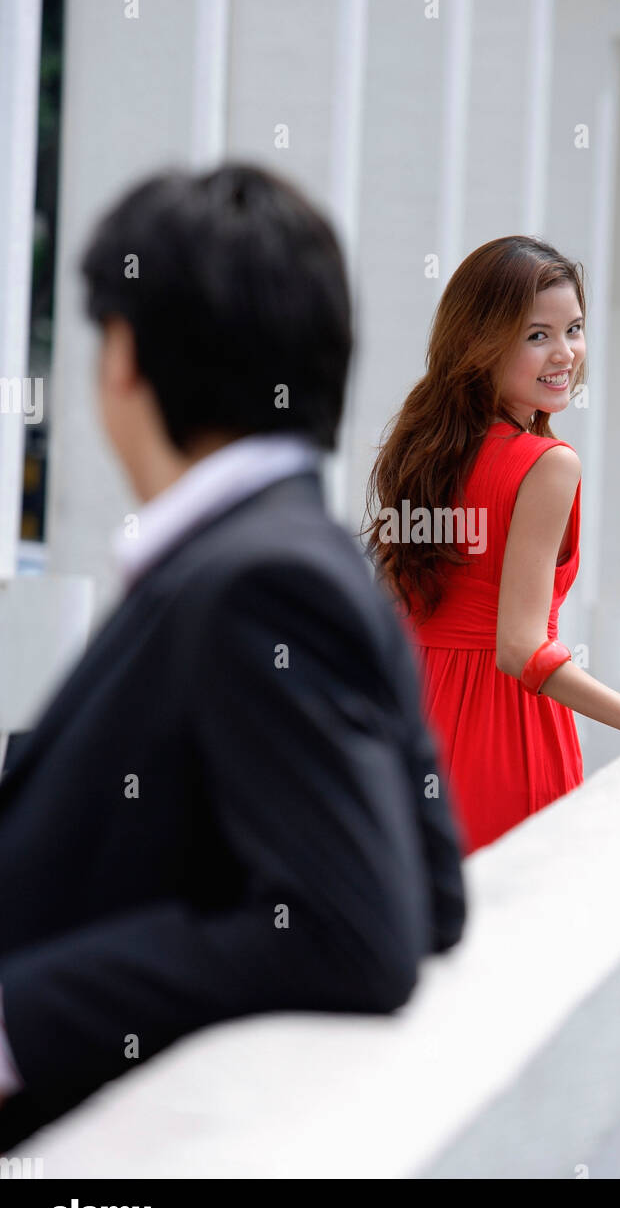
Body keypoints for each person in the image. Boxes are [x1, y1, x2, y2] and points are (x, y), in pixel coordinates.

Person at [0, 164, 466, 1149]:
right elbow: (431, 890)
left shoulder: (257, 583)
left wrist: (18, 1018)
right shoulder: (303, 553)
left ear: (124, 355)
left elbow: (354, 928)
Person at [365, 236, 620, 854]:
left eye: (574, 329)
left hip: (410, 733)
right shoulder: (547, 465)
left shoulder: (423, 449)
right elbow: (520, 648)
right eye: (537, 335)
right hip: (503, 736)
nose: (565, 354)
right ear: (481, 342)